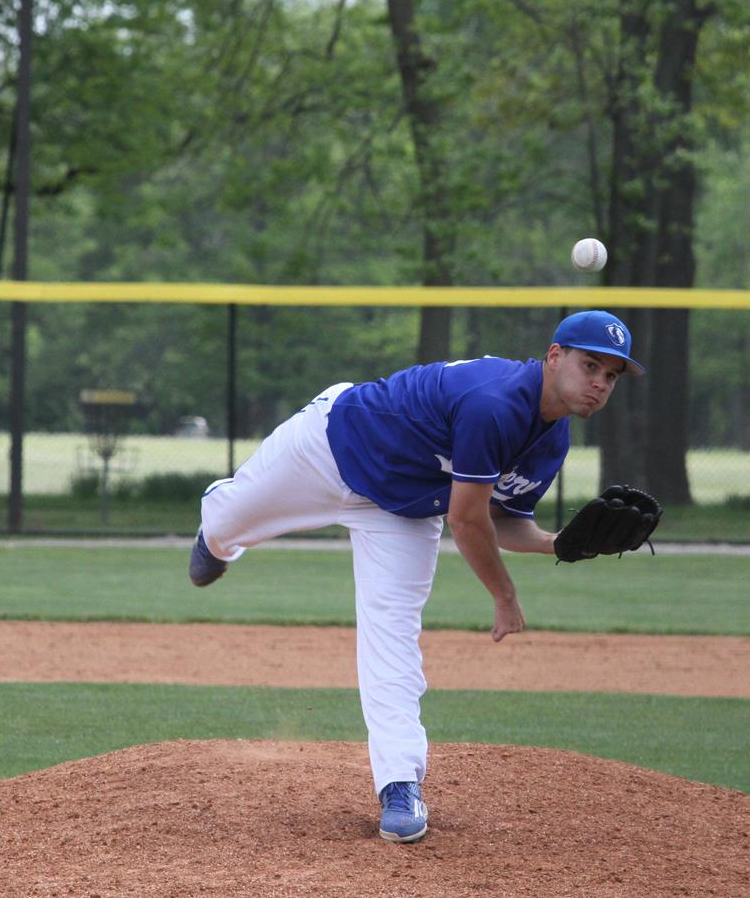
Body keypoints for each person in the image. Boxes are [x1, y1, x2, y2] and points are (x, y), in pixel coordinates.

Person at [189, 310, 643, 843]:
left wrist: (556, 544)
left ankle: (399, 783)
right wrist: (504, 595)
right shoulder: (494, 404)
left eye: (611, 375)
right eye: (590, 365)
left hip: (401, 510)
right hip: (332, 447)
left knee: (393, 637)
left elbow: (503, 518)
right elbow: (467, 520)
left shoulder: (552, 441)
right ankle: (217, 533)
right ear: (554, 355)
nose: (599, 383)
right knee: (225, 521)